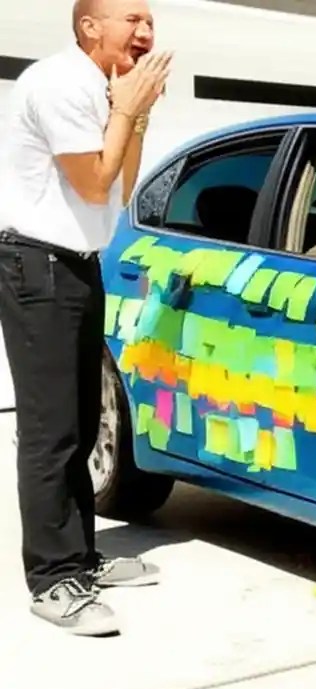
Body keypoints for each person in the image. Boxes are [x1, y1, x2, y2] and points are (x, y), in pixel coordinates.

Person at [0, 0, 173, 636]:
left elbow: (121, 186)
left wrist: (139, 112)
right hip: (37, 265)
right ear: (89, 27)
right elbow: (95, 185)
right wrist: (127, 107)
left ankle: (80, 559)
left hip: (76, 263)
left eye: (150, 20)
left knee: (80, 417)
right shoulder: (58, 83)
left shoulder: (101, 89)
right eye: (133, 18)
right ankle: (51, 580)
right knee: (50, 430)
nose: (147, 32)